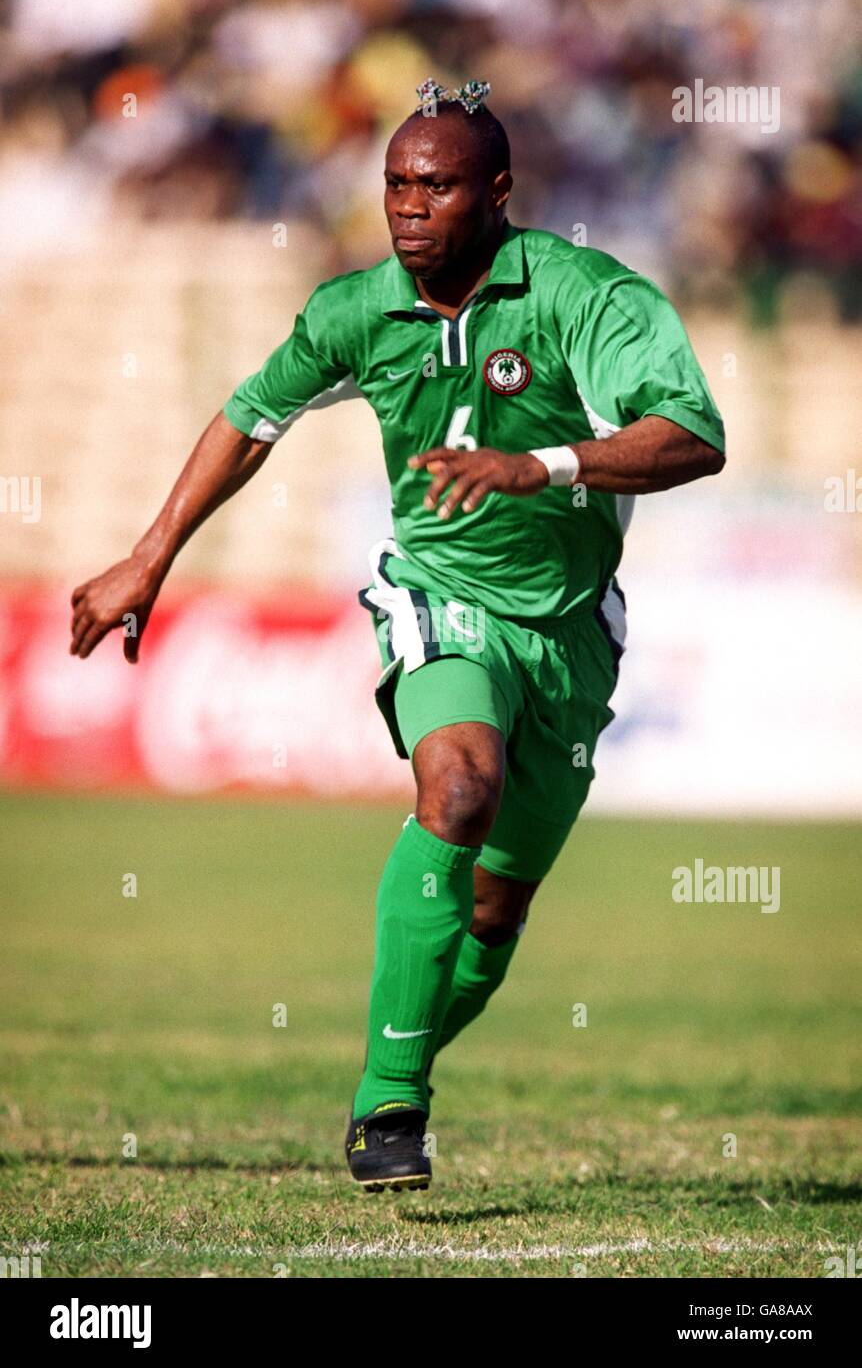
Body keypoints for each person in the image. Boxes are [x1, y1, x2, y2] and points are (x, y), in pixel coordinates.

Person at [70, 78, 725, 1193]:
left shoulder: (584, 295)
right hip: (435, 594)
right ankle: (392, 1105)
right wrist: (151, 554)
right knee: (457, 789)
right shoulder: (353, 309)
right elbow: (249, 418)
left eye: (436, 185)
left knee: (493, 909)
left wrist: (542, 465)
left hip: (569, 631)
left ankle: (398, 1055)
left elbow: (693, 436)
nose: (408, 207)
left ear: (500, 193)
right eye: (394, 183)